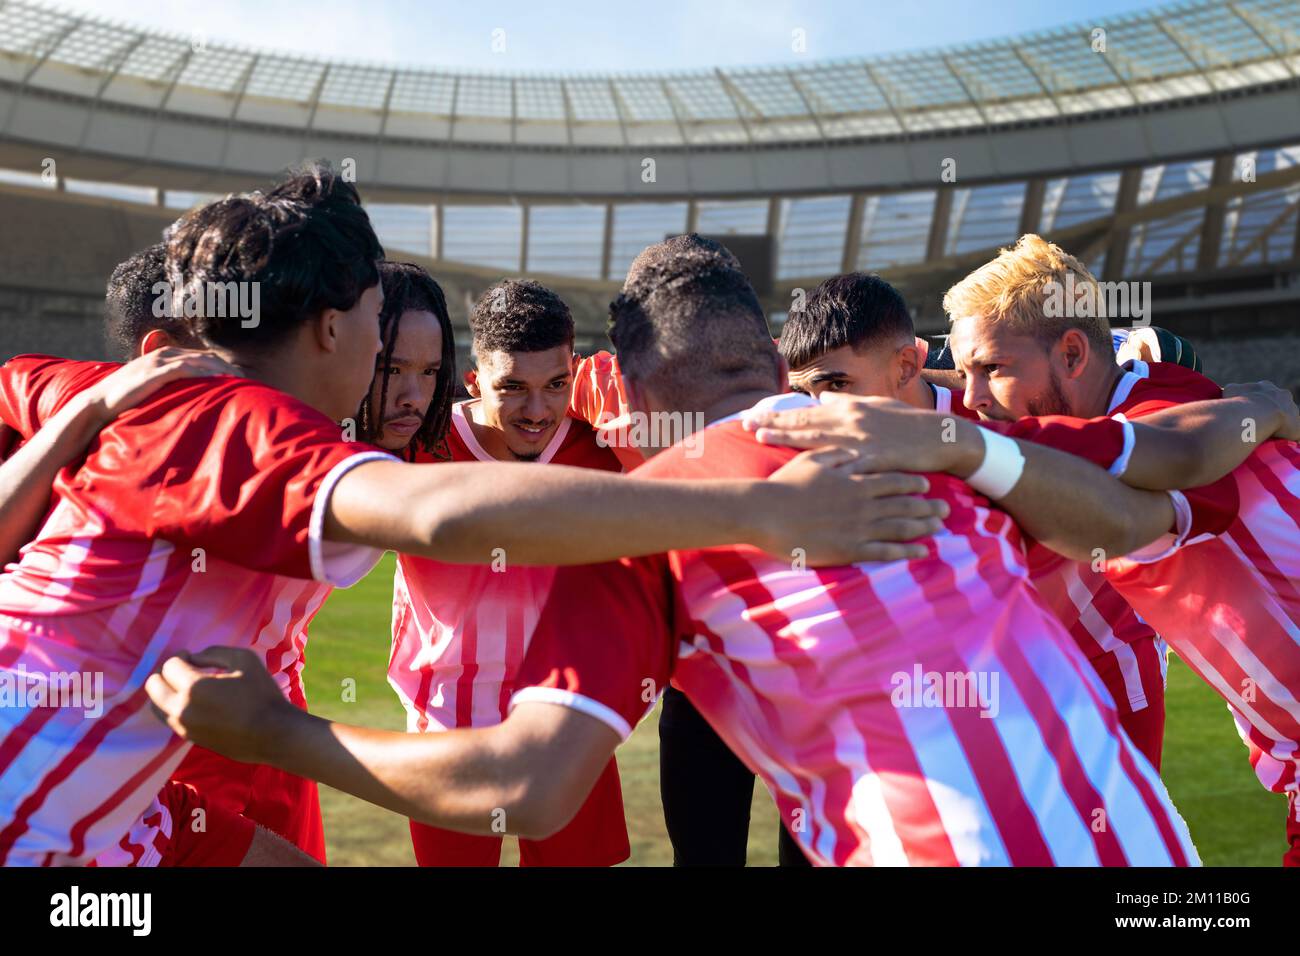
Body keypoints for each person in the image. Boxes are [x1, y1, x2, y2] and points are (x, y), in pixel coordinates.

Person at [146, 235, 1208, 867]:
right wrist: (967, 442)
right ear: (761, 348)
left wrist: (278, 726)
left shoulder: (637, 534)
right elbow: (1134, 517)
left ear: (621, 386)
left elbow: (526, 781)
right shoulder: (916, 428)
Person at [0, 169, 938, 867]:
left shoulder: (146, 396)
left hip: (126, 803)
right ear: (334, 327)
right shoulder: (229, 412)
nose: (386, 350)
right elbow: (437, 515)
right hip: (27, 790)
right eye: (377, 314)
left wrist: (73, 422)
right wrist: (761, 507)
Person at [748, 233, 1300, 865]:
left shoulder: (1169, 416)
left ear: (1071, 354)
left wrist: (952, 442)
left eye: (990, 370)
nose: (973, 398)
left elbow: (1155, 481)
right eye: (964, 373)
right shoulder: (1119, 397)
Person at [778, 271, 1167, 769]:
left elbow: (1104, 388)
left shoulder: (997, 414)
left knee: (1117, 837)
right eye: (806, 391)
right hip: (973, 685)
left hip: (1100, 661)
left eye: (838, 385)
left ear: (905, 366)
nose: (821, 408)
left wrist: (1130, 350)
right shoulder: (825, 455)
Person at [378, 271, 629, 867]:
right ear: (474, 379)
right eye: (512, 386)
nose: (537, 409)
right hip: (448, 729)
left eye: (555, 384)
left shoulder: (605, 445)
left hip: (571, 723)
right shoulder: (417, 442)